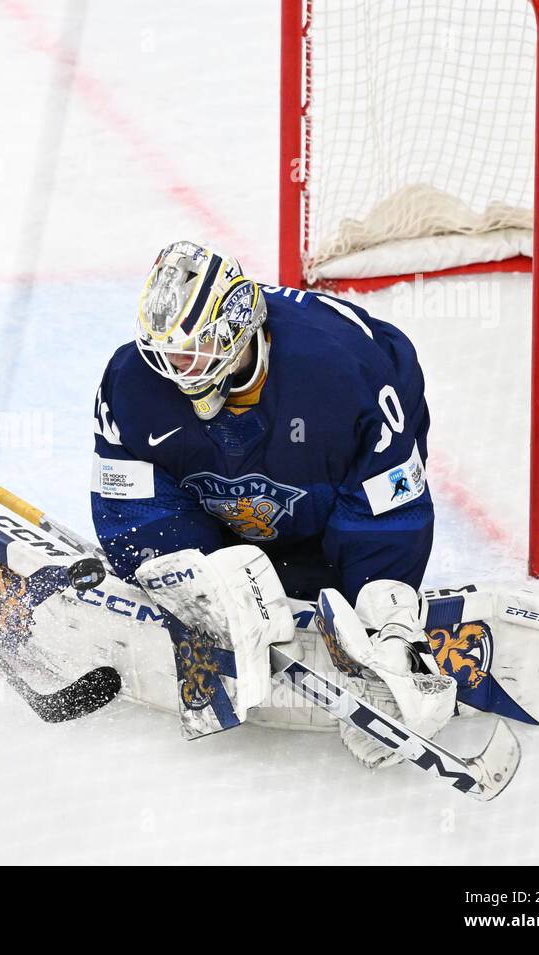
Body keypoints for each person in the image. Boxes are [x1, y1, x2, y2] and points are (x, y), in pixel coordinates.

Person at [91, 240, 450, 764]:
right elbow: (136, 502)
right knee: (198, 560)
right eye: (164, 352)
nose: (175, 367)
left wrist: (383, 612)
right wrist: (192, 577)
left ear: (235, 329)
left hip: (325, 477)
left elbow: (386, 504)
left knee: (348, 578)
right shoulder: (133, 382)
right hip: (224, 508)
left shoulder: (345, 374)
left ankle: (387, 625)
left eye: (190, 350)